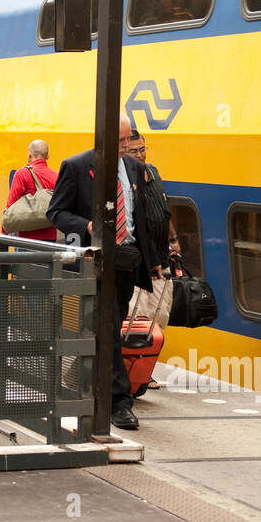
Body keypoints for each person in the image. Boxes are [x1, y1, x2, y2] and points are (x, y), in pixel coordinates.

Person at [46, 114, 162, 431]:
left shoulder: (136, 170)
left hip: (127, 264)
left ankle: (87, 384)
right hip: (95, 262)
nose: (127, 146)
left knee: (108, 328)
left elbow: (140, 219)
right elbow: (55, 212)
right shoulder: (77, 166)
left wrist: (152, 261)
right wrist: (86, 226)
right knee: (109, 328)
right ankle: (119, 403)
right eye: (121, 140)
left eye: (129, 140)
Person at [128, 130, 180, 390]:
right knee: (138, 317)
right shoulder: (125, 181)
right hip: (140, 263)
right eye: (133, 151)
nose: (140, 155)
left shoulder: (154, 172)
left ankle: (145, 367)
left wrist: (173, 239)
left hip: (162, 259)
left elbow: (164, 208)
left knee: (160, 316)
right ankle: (134, 373)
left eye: (142, 149)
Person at [3, 139, 58, 242]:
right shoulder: (56, 176)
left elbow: (11, 205)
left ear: (29, 155)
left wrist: (4, 229)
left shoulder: (22, 174)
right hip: (50, 239)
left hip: (27, 240)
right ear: (47, 156)